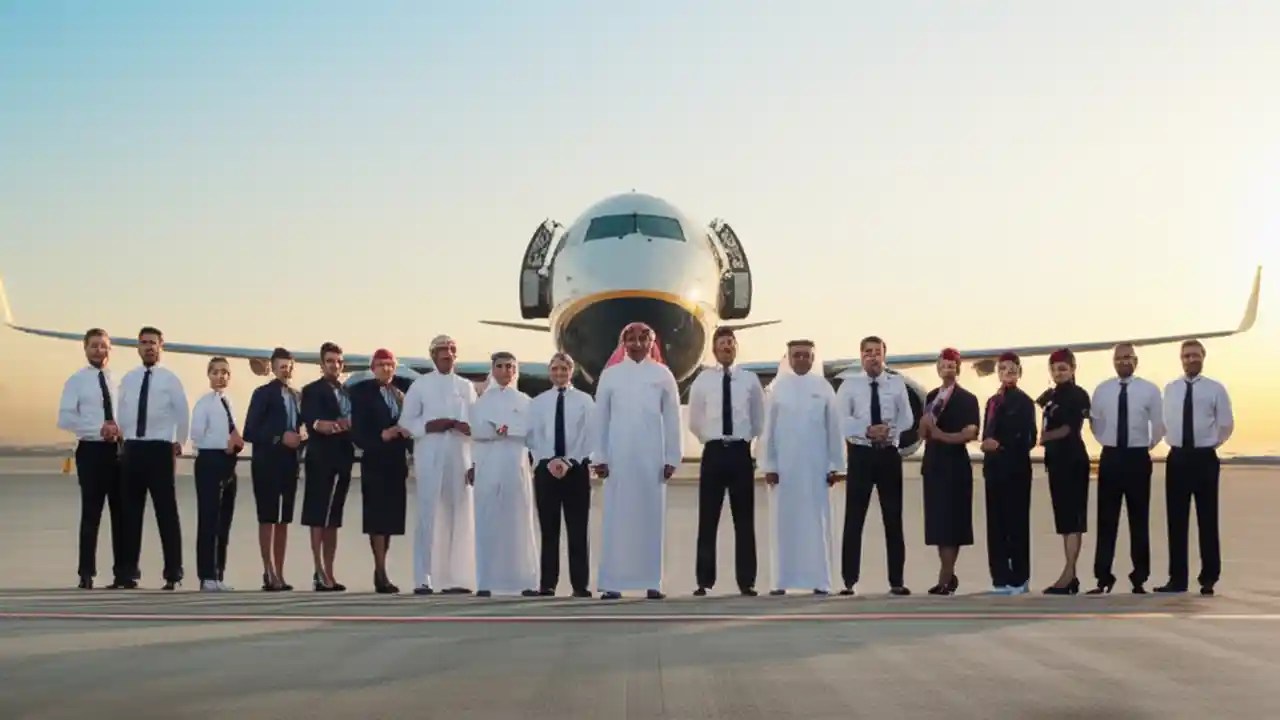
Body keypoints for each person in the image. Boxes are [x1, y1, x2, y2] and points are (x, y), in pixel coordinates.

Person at [592, 322, 682, 600]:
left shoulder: (663, 375)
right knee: (617, 519)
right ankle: (613, 583)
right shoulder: (610, 376)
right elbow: (601, 419)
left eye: (644, 338)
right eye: (631, 339)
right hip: (618, 457)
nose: (637, 343)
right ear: (623, 343)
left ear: (652, 342)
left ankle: (652, 581)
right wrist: (600, 456)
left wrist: (671, 457)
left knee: (650, 518)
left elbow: (672, 418)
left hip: (651, 457)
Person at [758, 340, 844, 595]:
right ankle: (781, 581)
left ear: (813, 358)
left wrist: (835, 465)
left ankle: (821, 581)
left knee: (817, 524)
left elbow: (834, 430)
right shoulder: (777, 389)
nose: (802, 360)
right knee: (783, 525)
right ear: (789, 358)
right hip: (784, 470)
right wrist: (769, 464)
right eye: (797, 355)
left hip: (816, 470)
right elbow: (767, 431)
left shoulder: (824, 388)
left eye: (807, 355)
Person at [834, 335, 914, 596]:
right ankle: (849, 581)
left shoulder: (896, 383)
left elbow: (907, 417)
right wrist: (867, 430)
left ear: (884, 355)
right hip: (861, 455)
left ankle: (897, 580)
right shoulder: (849, 386)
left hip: (888, 454)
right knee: (854, 518)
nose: (873, 356)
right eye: (868, 352)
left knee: (893, 518)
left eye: (877, 352)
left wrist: (889, 432)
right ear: (861, 357)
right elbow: (841, 421)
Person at [688, 326, 764, 597]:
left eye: (731, 343)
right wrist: (712, 438)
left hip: (740, 453)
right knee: (708, 519)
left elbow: (758, 419)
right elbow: (695, 420)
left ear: (736, 347)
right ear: (714, 349)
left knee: (744, 520)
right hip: (714, 452)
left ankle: (747, 581)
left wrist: (743, 439)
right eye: (722, 343)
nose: (727, 347)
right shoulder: (703, 381)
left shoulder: (750, 380)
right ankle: (704, 581)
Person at [398, 334, 477, 595]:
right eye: (442, 351)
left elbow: (478, 423)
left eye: (451, 351)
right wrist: (428, 426)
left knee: (459, 513)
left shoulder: (466, 387)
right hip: (430, 455)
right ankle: (424, 578)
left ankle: (457, 578)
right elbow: (406, 422)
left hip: (460, 455)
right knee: (429, 515)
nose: (447, 355)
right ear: (433, 357)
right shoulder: (420, 386)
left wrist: (468, 431)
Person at [1157, 339, 1233, 596]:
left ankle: (1209, 577)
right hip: (1177, 458)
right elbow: (1164, 421)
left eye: (1195, 355)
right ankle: (1177, 579)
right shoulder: (1171, 389)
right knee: (1176, 521)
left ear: (1203, 356)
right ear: (1181, 359)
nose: (1190, 359)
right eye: (1186, 356)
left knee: (1207, 519)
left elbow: (1225, 424)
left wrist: (1209, 443)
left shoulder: (1215, 389)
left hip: (1204, 458)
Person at [116, 326, 189, 590]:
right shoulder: (129, 378)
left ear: (161, 347)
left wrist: (179, 442)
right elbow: (120, 410)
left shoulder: (170, 379)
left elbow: (182, 412)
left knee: (166, 513)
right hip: (133, 448)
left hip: (160, 449)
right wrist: (122, 441)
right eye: (144, 342)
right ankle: (128, 573)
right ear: (138, 347)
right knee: (130, 514)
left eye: (153, 343)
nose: (148, 347)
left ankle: (173, 573)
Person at [1088, 342, 1164, 594]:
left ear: (1136, 360)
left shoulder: (1149, 390)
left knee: (1138, 520)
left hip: (1138, 458)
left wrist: (1143, 445)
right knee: (1106, 520)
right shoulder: (1102, 390)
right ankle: (1103, 577)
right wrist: (1110, 443)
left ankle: (1139, 577)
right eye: (1119, 358)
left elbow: (1159, 424)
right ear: (1113, 361)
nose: (1123, 362)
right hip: (1110, 456)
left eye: (1128, 357)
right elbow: (1096, 424)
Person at [56, 328, 127, 590]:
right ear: (85, 349)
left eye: (104, 346)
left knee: (121, 514)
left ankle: (123, 574)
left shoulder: (120, 380)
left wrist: (120, 429)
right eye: (94, 346)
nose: (99, 350)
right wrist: (98, 429)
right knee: (91, 514)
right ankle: (86, 573)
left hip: (119, 452)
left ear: (111, 349)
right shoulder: (76, 381)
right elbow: (65, 417)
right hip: (92, 450)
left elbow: (129, 414)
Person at [468, 352, 539, 597]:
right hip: (488, 465)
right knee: (488, 519)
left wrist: (508, 430)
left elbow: (532, 432)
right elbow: (477, 429)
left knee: (519, 519)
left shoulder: (525, 401)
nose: (506, 371)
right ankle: (486, 580)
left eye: (510, 366)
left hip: (516, 465)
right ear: (493, 370)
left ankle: (526, 581)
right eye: (500, 366)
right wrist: (500, 431)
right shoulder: (481, 402)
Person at [527, 352, 595, 597]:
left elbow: (590, 435)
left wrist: (568, 460)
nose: (559, 374)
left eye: (563, 369)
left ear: (571, 371)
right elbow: (533, 437)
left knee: (578, 528)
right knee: (549, 529)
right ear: (549, 372)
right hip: (547, 470)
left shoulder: (585, 401)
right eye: (554, 369)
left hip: (575, 469)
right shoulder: (538, 403)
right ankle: (547, 583)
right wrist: (550, 459)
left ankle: (580, 584)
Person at [916, 348, 980, 596]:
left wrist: (941, 435)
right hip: (934, 464)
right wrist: (924, 425)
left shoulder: (967, 399)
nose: (947, 368)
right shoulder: (932, 396)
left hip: (955, 465)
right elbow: (922, 433)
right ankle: (947, 573)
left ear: (958, 368)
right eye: (943, 364)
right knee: (938, 524)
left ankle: (946, 574)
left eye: (952, 365)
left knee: (953, 523)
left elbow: (970, 433)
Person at [350, 348, 413, 593]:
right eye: (381, 365)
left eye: (390, 365)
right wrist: (381, 436)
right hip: (375, 459)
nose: (386, 369)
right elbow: (358, 431)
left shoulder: (401, 391)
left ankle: (383, 568)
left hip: (396, 461)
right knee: (376, 519)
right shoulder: (362, 393)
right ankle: (380, 571)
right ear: (373, 367)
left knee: (390, 520)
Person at [243, 347, 305, 592]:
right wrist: (280, 438)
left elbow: (300, 427)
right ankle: (268, 571)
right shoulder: (262, 393)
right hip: (267, 462)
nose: (286, 369)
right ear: (273, 366)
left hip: (290, 464)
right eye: (281, 365)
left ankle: (280, 570)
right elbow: (250, 431)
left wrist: (302, 437)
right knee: (268, 517)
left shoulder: (297, 396)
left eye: (289, 366)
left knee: (284, 520)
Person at [1035, 348, 1092, 595]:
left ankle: (1069, 574)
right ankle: (1070, 574)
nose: (1059, 373)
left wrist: (1045, 437)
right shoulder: (1051, 395)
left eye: (1063, 368)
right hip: (1056, 462)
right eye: (1055, 369)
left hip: (1072, 460)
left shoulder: (1078, 395)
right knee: (1064, 520)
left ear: (1073, 369)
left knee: (1073, 519)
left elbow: (1070, 428)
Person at [981, 352, 1037, 595]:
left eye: (1012, 368)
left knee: (1017, 524)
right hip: (994, 469)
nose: (1008, 372)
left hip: (1016, 469)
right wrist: (987, 444)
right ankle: (1000, 577)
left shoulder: (1025, 402)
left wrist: (1001, 445)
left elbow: (1029, 438)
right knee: (996, 524)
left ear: (1019, 372)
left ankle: (1020, 577)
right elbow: (987, 432)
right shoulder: (992, 402)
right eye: (1003, 368)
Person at [300, 342, 355, 592]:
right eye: (330, 361)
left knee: (333, 519)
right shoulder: (311, 391)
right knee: (317, 516)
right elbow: (315, 423)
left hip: (342, 459)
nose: (335, 365)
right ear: (321, 365)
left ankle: (330, 572)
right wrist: (336, 425)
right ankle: (318, 570)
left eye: (339, 361)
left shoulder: (347, 392)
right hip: (320, 459)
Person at [189, 357, 243, 591]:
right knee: (209, 520)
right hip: (211, 460)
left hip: (228, 463)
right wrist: (226, 443)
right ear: (209, 375)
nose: (221, 376)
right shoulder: (204, 403)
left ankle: (218, 573)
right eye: (216, 372)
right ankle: (207, 575)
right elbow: (197, 435)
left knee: (223, 522)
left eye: (225, 373)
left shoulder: (227, 402)